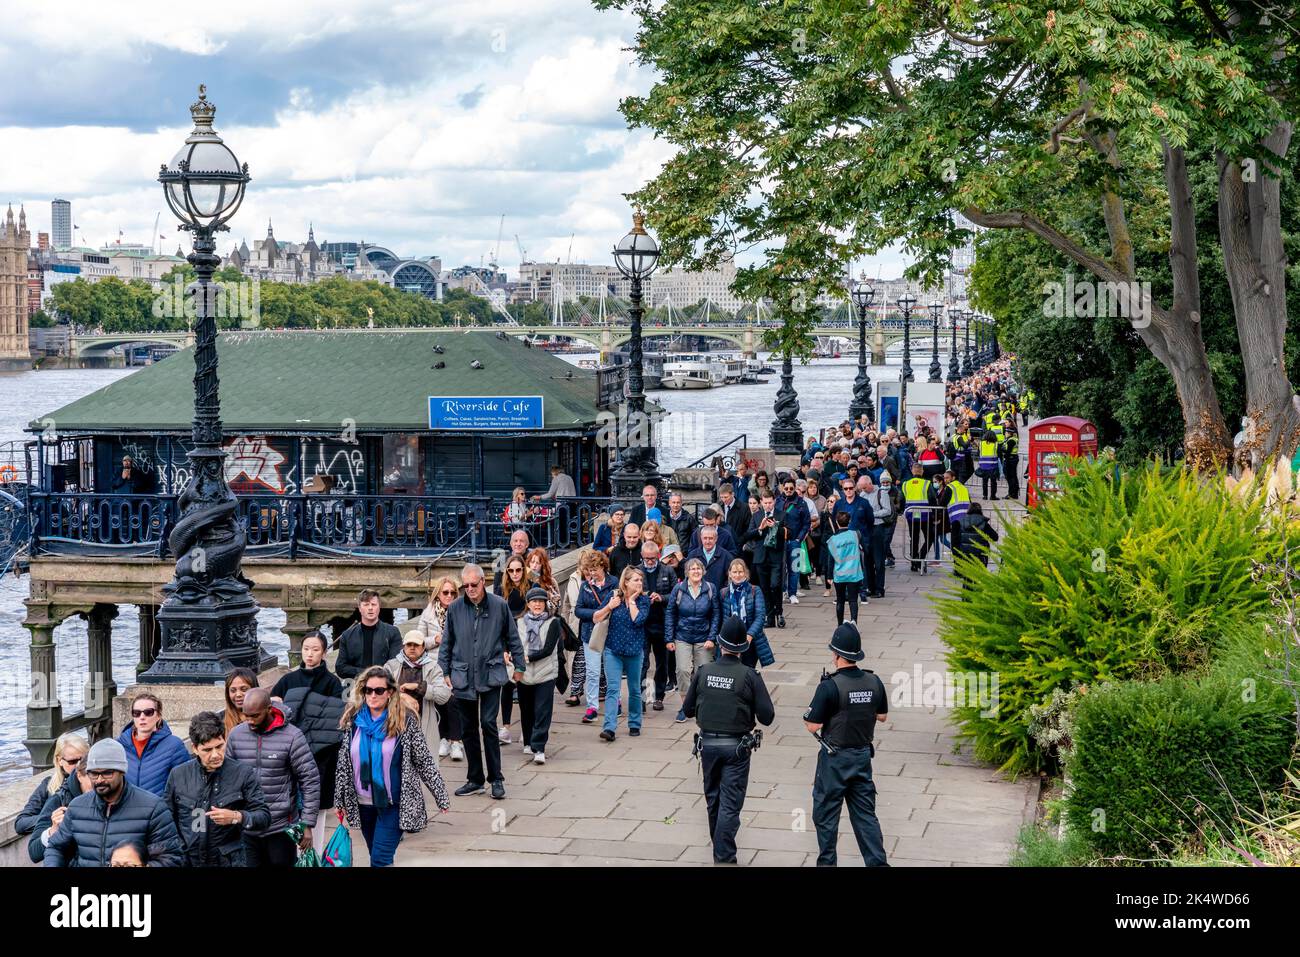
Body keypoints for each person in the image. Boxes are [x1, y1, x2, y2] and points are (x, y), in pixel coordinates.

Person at [335, 666, 451, 867]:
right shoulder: (354, 721)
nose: (373, 695)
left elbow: (424, 760)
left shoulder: (404, 721)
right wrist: (339, 799)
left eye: (379, 690)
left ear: (389, 693)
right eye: (367, 690)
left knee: (380, 859)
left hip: (393, 802)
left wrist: (440, 795)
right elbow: (344, 764)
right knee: (376, 856)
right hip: (363, 802)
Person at [683, 616, 775, 865]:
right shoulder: (749, 676)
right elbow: (767, 717)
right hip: (736, 748)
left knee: (713, 799)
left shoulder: (704, 672)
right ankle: (724, 857)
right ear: (743, 647)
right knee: (730, 804)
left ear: (721, 644)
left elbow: (688, 709)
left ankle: (720, 851)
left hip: (709, 746)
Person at [437, 563, 526, 801]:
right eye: (465, 586)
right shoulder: (455, 608)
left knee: (488, 724)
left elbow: (513, 637)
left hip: (490, 674)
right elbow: (447, 641)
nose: (469, 589)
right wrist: (443, 670)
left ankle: (496, 778)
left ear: (482, 582)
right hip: (462, 674)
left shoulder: (499, 605)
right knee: (468, 729)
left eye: (473, 585)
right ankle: (475, 778)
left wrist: (519, 667)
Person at [804, 623, 889, 866]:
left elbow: (812, 725)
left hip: (835, 760)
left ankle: (827, 863)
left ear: (837, 655)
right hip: (862, 756)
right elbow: (882, 716)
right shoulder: (874, 681)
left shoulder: (830, 685)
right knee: (865, 816)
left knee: (826, 815)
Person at [43, 738, 182, 868]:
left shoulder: (153, 808)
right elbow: (56, 848)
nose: (99, 780)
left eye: (107, 773)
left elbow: (171, 858)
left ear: (122, 771)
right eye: (93, 774)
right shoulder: (77, 807)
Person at [226, 687, 320, 867]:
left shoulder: (292, 736)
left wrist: (307, 823)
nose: (250, 721)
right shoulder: (236, 735)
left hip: (280, 827)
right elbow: (228, 778)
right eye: (246, 715)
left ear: (269, 709)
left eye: (255, 716)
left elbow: (310, 780)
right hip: (247, 825)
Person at [163, 711, 271, 867]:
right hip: (188, 861)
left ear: (224, 739)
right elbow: (166, 821)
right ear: (195, 748)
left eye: (219, 746)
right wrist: (178, 849)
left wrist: (236, 816)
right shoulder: (178, 775)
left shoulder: (243, 773)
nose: (215, 755)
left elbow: (264, 817)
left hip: (229, 861)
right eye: (207, 750)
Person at [273, 632, 346, 854]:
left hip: (322, 756)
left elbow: (336, 724)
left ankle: (314, 856)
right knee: (290, 807)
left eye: (315, 649)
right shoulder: (287, 680)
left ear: (324, 652)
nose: (310, 654)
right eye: (306, 649)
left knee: (318, 812)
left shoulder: (333, 683)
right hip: (291, 754)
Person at [595, 567, 649, 742]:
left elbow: (638, 620)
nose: (639, 583)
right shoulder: (614, 596)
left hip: (634, 651)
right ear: (625, 582)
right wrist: (609, 606)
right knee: (613, 689)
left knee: (634, 689)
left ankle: (634, 723)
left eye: (641, 580)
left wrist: (632, 601)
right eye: (635, 580)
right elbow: (596, 617)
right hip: (613, 650)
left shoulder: (643, 600)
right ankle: (609, 727)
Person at [414, 575, 466, 762]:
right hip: (433, 665)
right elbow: (418, 641)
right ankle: (444, 738)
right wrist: (435, 640)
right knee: (439, 700)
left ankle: (456, 740)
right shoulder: (428, 613)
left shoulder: (462, 611)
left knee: (453, 700)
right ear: (438, 594)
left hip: (457, 663)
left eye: (453, 592)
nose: (449, 596)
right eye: (445, 592)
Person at [665, 557, 722, 724]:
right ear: (687, 572)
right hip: (682, 636)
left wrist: (712, 637)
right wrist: (669, 638)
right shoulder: (679, 589)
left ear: (703, 571)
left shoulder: (710, 588)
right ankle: (685, 706)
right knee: (682, 670)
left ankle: (701, 705)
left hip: (704, 637)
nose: (696, 571)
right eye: (692, 569)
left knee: (703, 672)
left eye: (698, 568)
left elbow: (716, 614)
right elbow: (670, 613)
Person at [515, 587, 564, 763]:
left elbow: (548, 649)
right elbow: (515, 645)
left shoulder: (553, 622)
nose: (537, 604)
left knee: (542, 711)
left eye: (541, 601)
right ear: (528, 604)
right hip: (524, 674)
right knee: (526, 710)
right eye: (534, 601)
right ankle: (528, 741)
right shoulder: (519, 622)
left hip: (546, 673)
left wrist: (527, 657)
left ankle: (539, 748)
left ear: (545, 604)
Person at [386, 630, 453, 755]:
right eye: (409, 644)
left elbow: (444, 695)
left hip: (424, 723)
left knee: (425, 764)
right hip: (395, 723)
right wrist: (401, 695)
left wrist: (420, 687)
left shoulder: (433, 667)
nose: (412, 648)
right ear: (403, 646)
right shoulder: (391, 666)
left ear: (423, 647)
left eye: (416, 645)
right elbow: (382, 691)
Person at [27, 739, 92, 863]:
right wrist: (53, 829)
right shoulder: (58, 797)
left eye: (82, 760)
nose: (99, 781)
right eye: (73, 761)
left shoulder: (110, 794)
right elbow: (33, 851)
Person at [571, 549, 617, 720]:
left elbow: (617, 606)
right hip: (590, 633)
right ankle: (592, 707)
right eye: (589, 570)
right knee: (592, 671)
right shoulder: (585, 586)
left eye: (595, 569)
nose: (592, 573)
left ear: (603, 567)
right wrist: (593, 615)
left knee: (611, 670)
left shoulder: (614, 583)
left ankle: (615, 701)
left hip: (611, 632)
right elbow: (578, 610)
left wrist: (601, 612)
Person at [116, 693, 191, 796]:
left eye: (148, 712)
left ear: (159, 715)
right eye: (136, 713)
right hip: (125, 810)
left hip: (160, 810)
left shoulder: (174, 746)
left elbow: (186, 787)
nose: (142, 717)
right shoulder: (118, 746)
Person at [16, 733, 87, 836]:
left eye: (83, 760)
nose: (78, 766)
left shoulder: (97, 783)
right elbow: (21, 823)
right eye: (73, 761)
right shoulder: (49, 785)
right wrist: (51, 817)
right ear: (59, 760)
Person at [637, 540, 677, 711]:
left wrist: (661, 597)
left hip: (662, 623)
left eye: (653, 558)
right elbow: (629, 593)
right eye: (647, 558)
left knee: (662, 663)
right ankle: (644, 697)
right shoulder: (637, 571)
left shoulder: (668, 570)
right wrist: (644, 596)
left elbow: (676, 594)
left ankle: (659, 696)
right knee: (643, 663)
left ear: (658, 556)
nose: (650, 561)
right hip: (643, 624)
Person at [494, 553, 530, 744]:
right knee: (507, 686)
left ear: (524, 571)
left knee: (524, 686)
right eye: (511, 570)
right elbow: (499, 622)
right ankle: (506, 727)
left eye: (518, 570)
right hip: (507, 640)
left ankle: (526, 727)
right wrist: (503, 648)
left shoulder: (531, 588)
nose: (515, 574)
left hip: (525, 639)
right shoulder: (502, 591)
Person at [719, 558, 775, 669]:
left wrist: (749, 636)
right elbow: (723, 618)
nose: (738, 575)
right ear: (729, 574)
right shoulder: (724, 593)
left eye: (740, 572)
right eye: (734, 572)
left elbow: (760, 617)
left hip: (750, 640)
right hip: (731, 641)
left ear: (746, 573)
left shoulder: (755, 590)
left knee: (748, 670)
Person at [335, 590, 404, 680]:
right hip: (357, 683)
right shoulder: (347, 636)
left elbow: (396, 664)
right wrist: (366, 673)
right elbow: (340, 668)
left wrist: (375, 675)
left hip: (384, 683)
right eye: (366, 605)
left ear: (379, 607)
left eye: (374, 604)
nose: (370, 608)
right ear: (360, 608)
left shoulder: (392, 632)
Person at [746, 489, 788, 629]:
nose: (768, 505)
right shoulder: (757, 516)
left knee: (775, 585)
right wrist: (761, 528)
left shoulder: (782, 515)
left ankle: (779, 613)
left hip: (776, 556)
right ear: (761, 503)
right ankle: (769, 618)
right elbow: (749, 535)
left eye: (770, 502)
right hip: (760, 556)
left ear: (774, 501)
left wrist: (776, 527)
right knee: (764, 588)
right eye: (765, 503)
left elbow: (791, 532)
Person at [827, 511, 866, 624]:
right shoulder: (856, 534)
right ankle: (854, 621)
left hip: (839, 574)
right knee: (853, 600)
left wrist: (829, 576)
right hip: (854, 573)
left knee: (840, 601)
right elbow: (864, 549)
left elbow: (830, 560)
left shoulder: (832, 540)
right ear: (849, 521)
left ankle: (840, 624)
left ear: (836, 522)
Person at [778, 475, 811, 606]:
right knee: (780, 568)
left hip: (794, 540)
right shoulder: (778, 501)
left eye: (791, 488)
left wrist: (799, 538)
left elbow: (806, 523)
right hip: (780, 540)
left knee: (794, 569)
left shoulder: (801, 503)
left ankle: (792, 593)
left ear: (794, 488)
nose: (788, 490)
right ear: (783, 488)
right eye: (786, 488)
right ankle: (782, 591)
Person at [901, 464, 939, 573]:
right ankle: (920, 557)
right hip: (925, 515)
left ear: (912, 471)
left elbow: (902, 499)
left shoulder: (905, 484)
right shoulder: (927, 483)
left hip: (911, 515)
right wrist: (936, 515)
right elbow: (932, 499)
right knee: (930, 537)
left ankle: (914, 562)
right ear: (922, 471)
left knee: (914, 539)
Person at [951, 502, 1000, 586]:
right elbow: (995, 537)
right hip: (980, 556)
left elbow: (954, 542)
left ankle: (966, 597)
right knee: (978, 580)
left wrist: (957, 557)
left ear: (968, 510)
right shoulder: (984, 524)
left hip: (964, 555)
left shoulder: (958, 522)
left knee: (966, 580)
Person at [864, 471, 894, 598]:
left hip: (878, 528)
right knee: (868, 561)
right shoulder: (862, 494)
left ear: (870, 484)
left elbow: (887, 511)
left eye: (865, 487)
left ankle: (879, 588)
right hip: (866, 529)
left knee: (879, 561)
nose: (863, 490)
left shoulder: (882, 493)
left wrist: (872, 514)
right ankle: (870, 587)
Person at [685, 524, 734, 593]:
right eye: (705, 538)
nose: (707, 541)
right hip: (697, 597)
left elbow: (731, 578)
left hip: (718, 598)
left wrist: (722, 592)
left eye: (710, 538)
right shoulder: (692, 555)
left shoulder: (726, 556)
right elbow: (687, 576)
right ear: (701, 538)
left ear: (716, 539)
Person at [223, 667, 257, 734]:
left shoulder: (268, 717)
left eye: (244, 689)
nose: (238, 694)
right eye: (233, 691)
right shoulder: (220, 721)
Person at [976, 429, 1001, 500]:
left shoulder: (981, 443)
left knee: (984, 482)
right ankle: (993, 496)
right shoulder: (996, 444)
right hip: (993, 466)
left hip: (983, 466)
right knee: (993, 482)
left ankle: (985, 496)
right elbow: (999, 455)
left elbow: (978, 453)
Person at [1000, 419, 1021, 500]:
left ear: (1009, 433)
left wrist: (1002, 450)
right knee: (1012, 477)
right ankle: (1014, 493)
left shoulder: (1011, 440)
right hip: (1012, 459)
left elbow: (1007, 451)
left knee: (1010, 477)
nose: (1005, 434)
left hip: (1010, 460)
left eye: (1006, 432)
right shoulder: (1010, 439)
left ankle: (1012, 493)